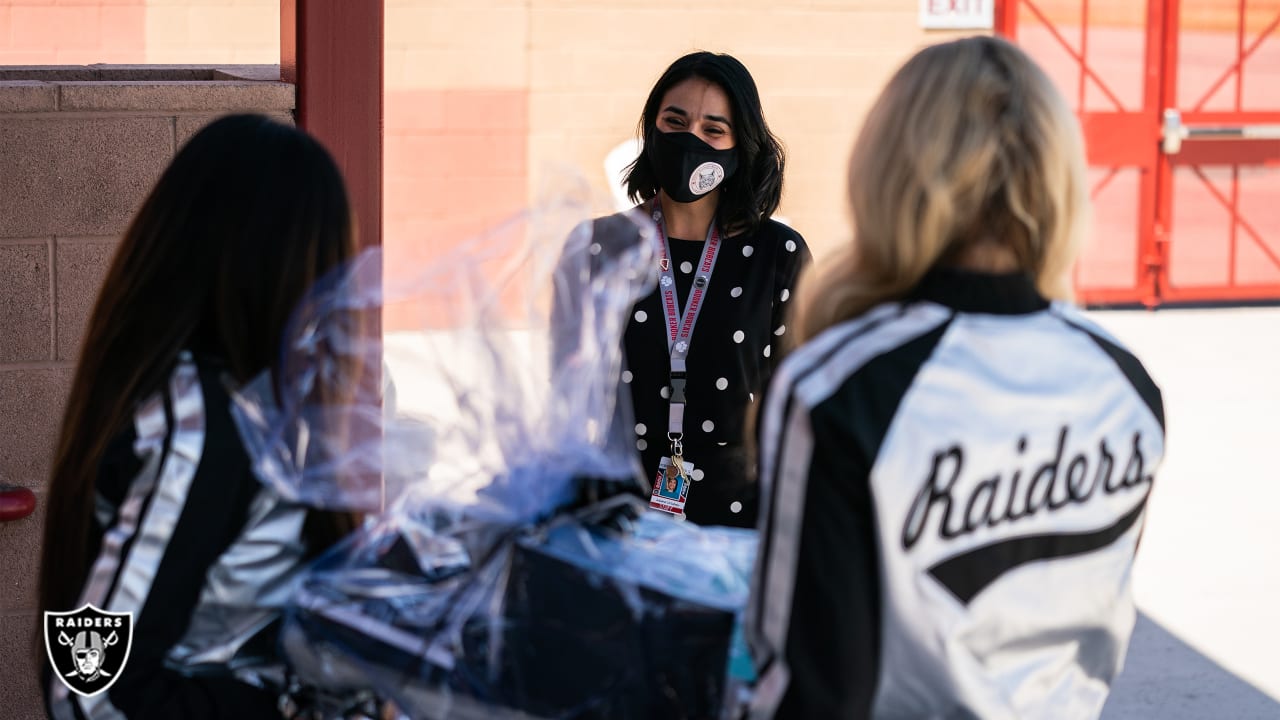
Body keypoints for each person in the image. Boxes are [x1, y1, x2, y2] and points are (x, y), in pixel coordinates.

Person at [746, 36, 1165, 719]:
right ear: (1056, 174)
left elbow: (805, 688)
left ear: (889, 170)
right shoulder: (1127, 386)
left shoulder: (836, 385)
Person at [38, 114, 360, 720]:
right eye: (327, 260)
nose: (337, 292)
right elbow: (90, 689)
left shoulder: (224, 401)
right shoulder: (200, 419)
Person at [614, 51, 811, 528]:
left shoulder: (778, 254)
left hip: (738, 522)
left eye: (713, 130)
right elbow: (566, 393)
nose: (691, 140)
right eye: (675, 122)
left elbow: (799, 400)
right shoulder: (602, 247)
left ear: (740, 144)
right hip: (616, 513)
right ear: (651, 128)